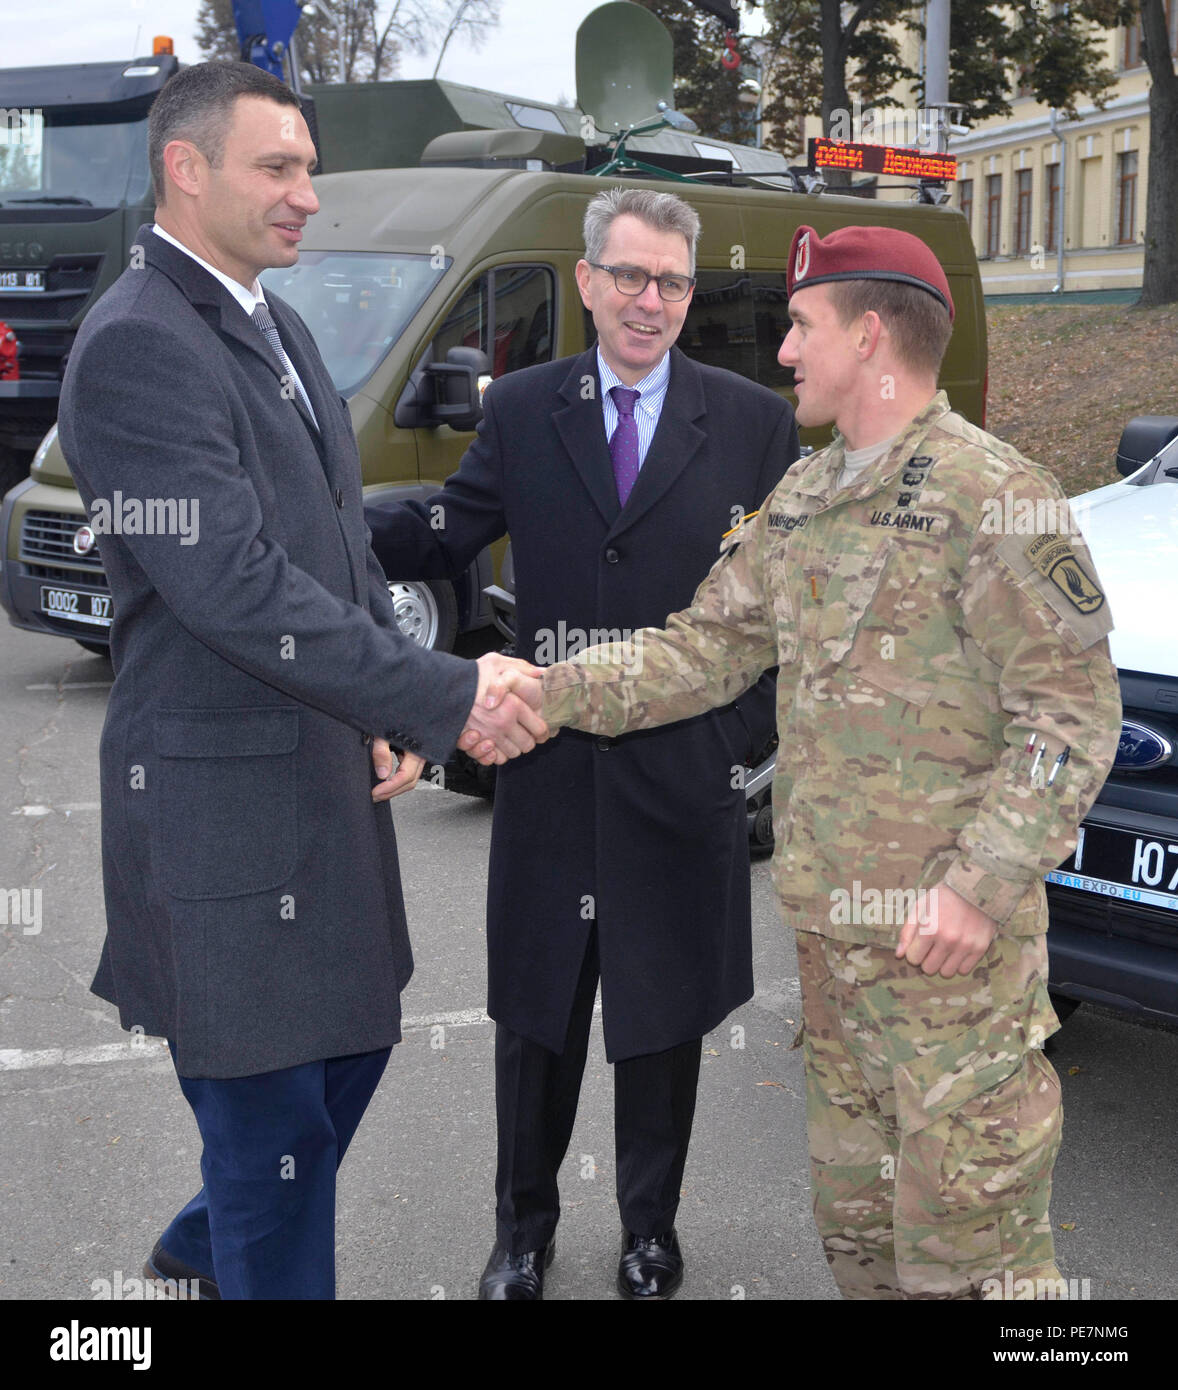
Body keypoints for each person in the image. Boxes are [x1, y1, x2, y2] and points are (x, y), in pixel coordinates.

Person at [472, 223, 1123, 1300]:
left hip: (947, 979)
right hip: (832, 964)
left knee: (977, 1261)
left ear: (868, 337)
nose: (780, 353)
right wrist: (538, 691)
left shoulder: (994, 496)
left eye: (800, 327)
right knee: (862, 1249)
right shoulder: (808, 498)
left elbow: (1070, 717)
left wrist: (976, 887)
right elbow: (701, 650)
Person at [56, 60, 544, 1301]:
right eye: (277, 166)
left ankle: (193, 1254)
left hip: (313, 778)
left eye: (308, 169)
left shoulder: (270, 317)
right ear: (187, 167)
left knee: (347, 1057)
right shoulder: (137, 346)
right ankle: (233, 1261)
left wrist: (378, 705)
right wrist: (438, 693)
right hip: (225, 817)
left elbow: (319, 542)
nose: (306, 196)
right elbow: (234, 587)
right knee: (275, 1150)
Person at [369, 187, 799, 1299]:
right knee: (536, 1023)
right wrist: (322, 513)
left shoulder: (751, 424)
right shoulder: (520, 407)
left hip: (679, 781)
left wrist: (732, 754)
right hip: (549, 778)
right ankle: (522, 1233)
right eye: (627, 276)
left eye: (669, 281)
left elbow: (778, 617)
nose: (647, 301)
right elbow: (447, 530)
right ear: (586, 280)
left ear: (688, 293)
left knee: (661, 1028)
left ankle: (648, 1233)